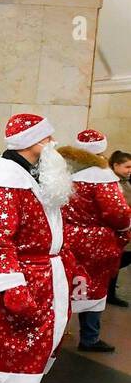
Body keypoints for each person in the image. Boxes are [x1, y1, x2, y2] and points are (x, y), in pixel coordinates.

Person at [0, 113, 76, 383]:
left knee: (43, 339)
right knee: (12, 343)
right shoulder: (6, 181)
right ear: (33, 142)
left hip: (48, 274)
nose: (52, 143)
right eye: (48, 138)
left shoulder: (35, 173)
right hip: (22, 277)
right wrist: (12, 287)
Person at [60, 129, 130, 352]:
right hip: (95, 241)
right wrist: (124, 231)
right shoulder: (103, 178)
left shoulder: (63, 172)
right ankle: (90, 338)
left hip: (66, 237)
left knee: (63, 287)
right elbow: (117, 213)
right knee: (94, 288)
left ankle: (55, 337)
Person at [109, 150, 131, 306]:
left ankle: (109, 285)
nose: (130, 170)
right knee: (119, 258)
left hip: (126, 225)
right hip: (117, 229)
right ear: (116, 165)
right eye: (127, 166)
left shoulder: (125, 181)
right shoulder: (112, 182)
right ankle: (109, 290)